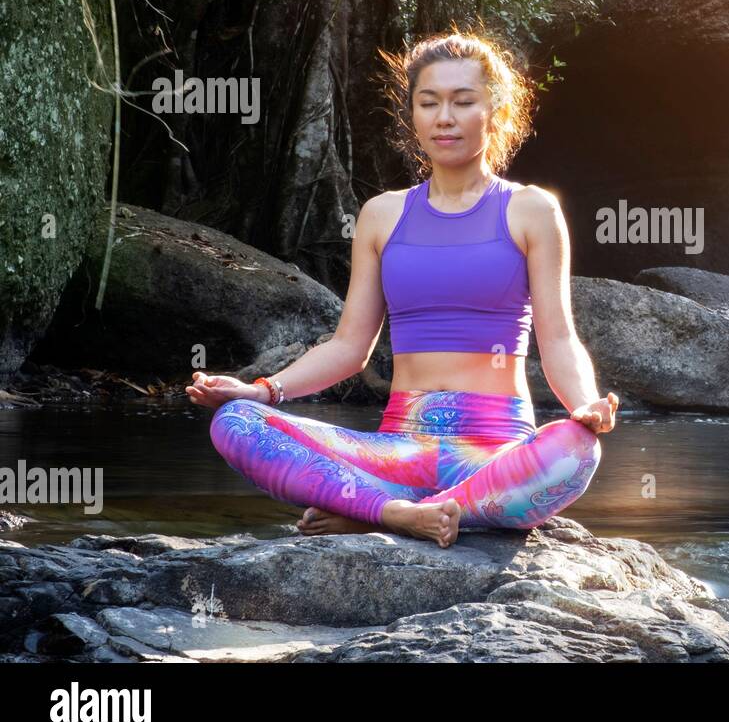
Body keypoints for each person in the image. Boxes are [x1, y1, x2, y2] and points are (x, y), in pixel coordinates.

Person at [189, 29, 618, 548]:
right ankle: (396, 509)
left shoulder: (530, 209)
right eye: (429, 102)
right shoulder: (382, 215)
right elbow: (349, 347)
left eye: (463, 102)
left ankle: (378, 511)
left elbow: (558, 338)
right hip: (396, 453)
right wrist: (260, 389)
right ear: (411, 113)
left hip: (496, 450)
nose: (445, 117)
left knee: (577, 448)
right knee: (236, 422)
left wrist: (586, 405)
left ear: (494, 110)